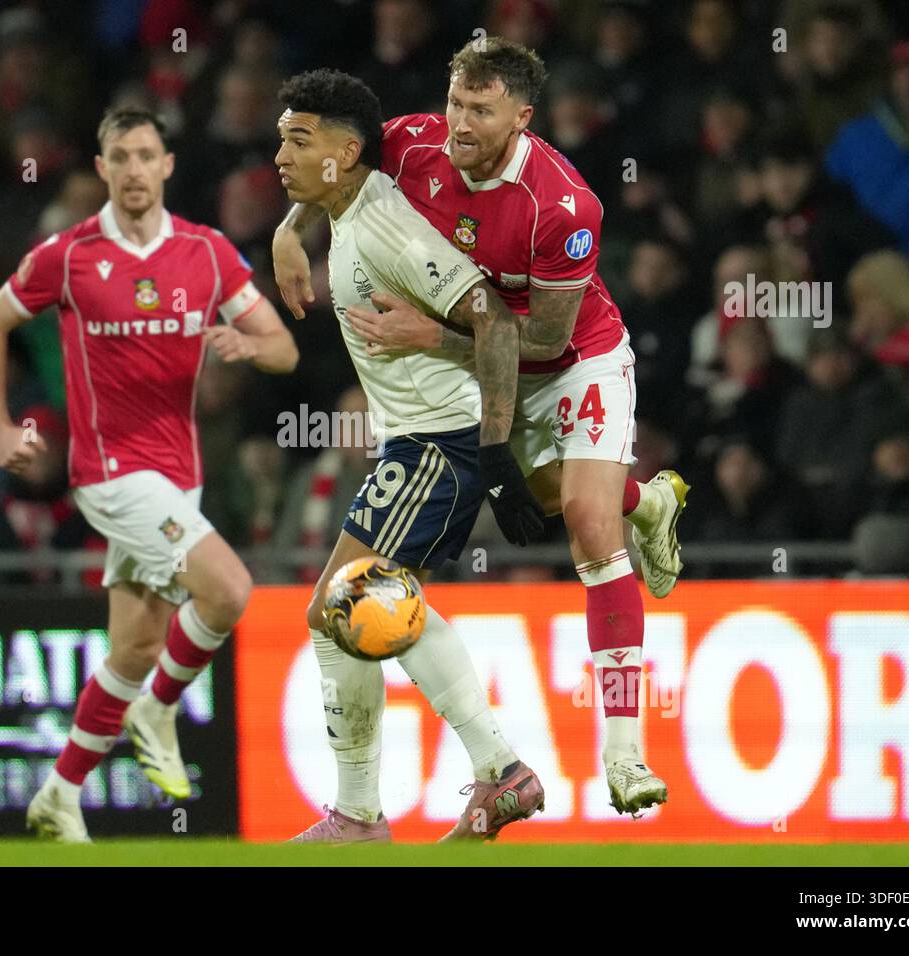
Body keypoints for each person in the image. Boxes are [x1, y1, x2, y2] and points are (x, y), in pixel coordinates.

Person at [274, 38, 686, 821]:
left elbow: (543, 339)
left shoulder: (564, 207)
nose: (460, 123)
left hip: (568, 358)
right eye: (457, 102)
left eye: (481, 111)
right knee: (552, 500)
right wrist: (288, 230)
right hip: (484, 368)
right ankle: (648, 502)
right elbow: (334, 155)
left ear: (522, 118)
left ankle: (625, 752)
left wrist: (437, 342)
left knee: (588, 528)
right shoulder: (419, 139)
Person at [0, 107, 297, 842]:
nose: (133, 170)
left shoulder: (207, 253)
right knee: (230, 590)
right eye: (118, 157)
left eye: (145, 155)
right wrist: (0, 425)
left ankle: (59, 792)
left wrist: (249, 349)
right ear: (101, 169)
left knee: (136, 645)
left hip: (179, 474)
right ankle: (159, 707)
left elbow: (282, 347)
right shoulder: (70, 254)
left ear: (168, 164)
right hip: (109, 474)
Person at [274, 68, 546, 844]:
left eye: (299, 140)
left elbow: (492, 319)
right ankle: (485, 775)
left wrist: (488, 444)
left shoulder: (386, 226)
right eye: (280, 139)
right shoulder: (348, 204)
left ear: (346, 150)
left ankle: (379, 811)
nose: (281, 157)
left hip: (445, 440)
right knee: (344, 611)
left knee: (340, 606)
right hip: (417, 439)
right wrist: (285, 228)